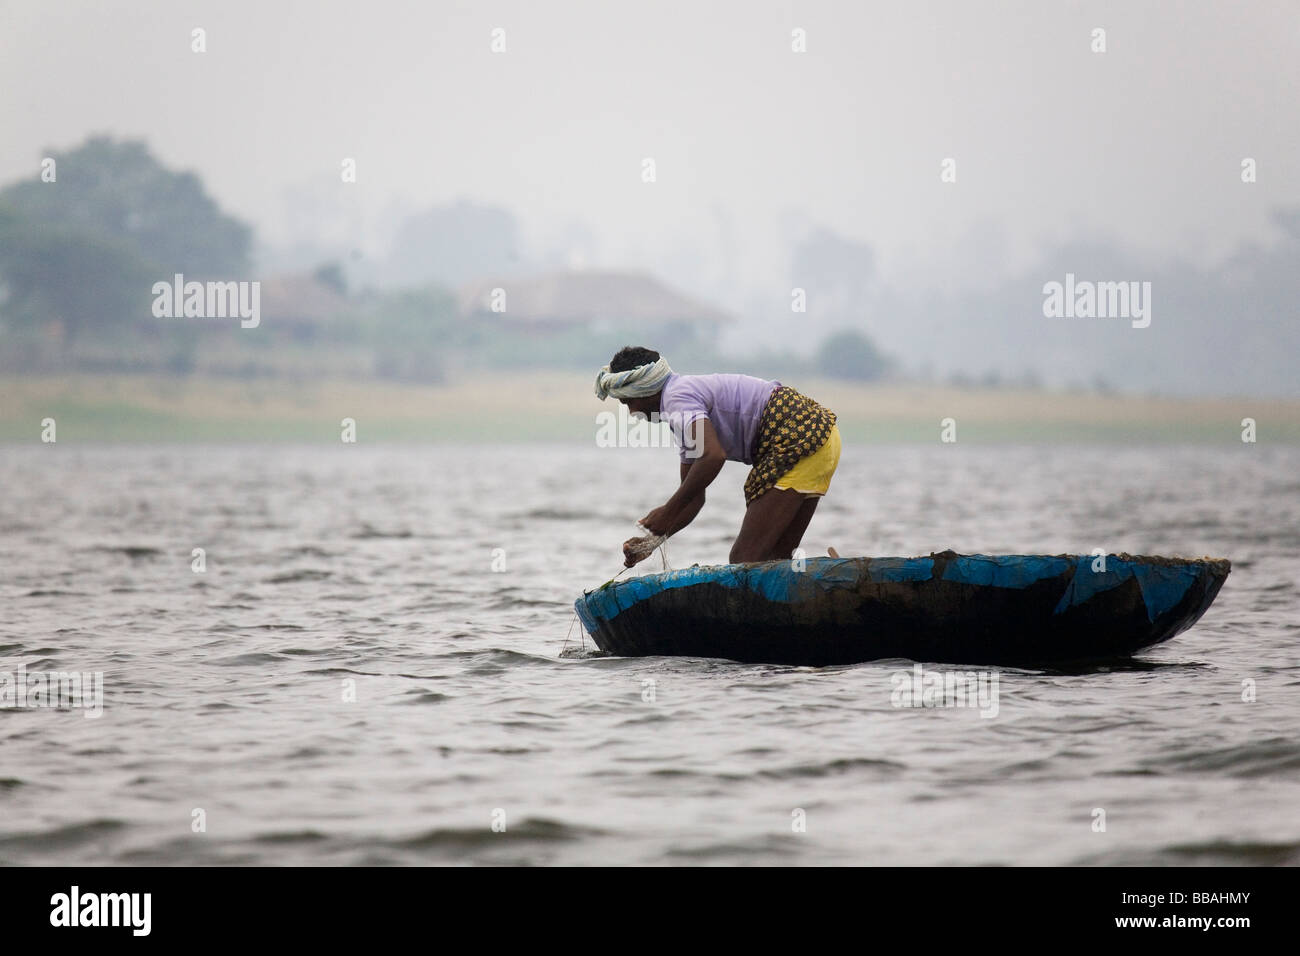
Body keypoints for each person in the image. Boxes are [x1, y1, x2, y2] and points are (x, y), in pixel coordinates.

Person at [594, 346, 841, 567]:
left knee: (745, 558)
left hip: (799, 437)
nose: (632, 412)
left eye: (629, 402)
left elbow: (713, 456)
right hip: (821, 439)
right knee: (775, 559)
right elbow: (693, 498)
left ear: (645, 390)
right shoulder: (683, 414)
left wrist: (668, 510)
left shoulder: (677, 398)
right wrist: (650, 543)